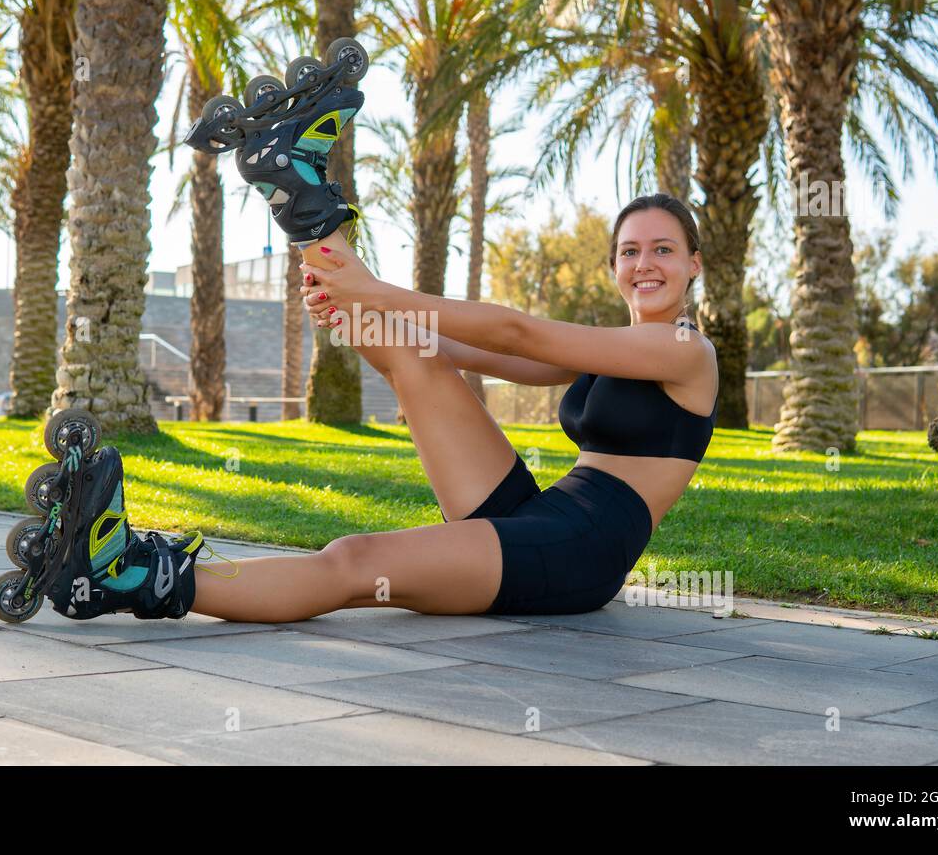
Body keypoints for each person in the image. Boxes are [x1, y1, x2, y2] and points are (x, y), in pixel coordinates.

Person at [137, 191, 718, 622]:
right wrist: (350, 311)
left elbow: (516, 332)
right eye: (630, 251)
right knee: (417, 353)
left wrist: (373, 294)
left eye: (663, 250)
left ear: (693, 264)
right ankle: (298, 191)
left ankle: (137, 575)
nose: (644, 263)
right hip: (539, 517)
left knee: (354, 562)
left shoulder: (688, 352)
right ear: (615, 265)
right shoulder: (613, 349)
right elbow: (447, 347)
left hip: (581, 552)